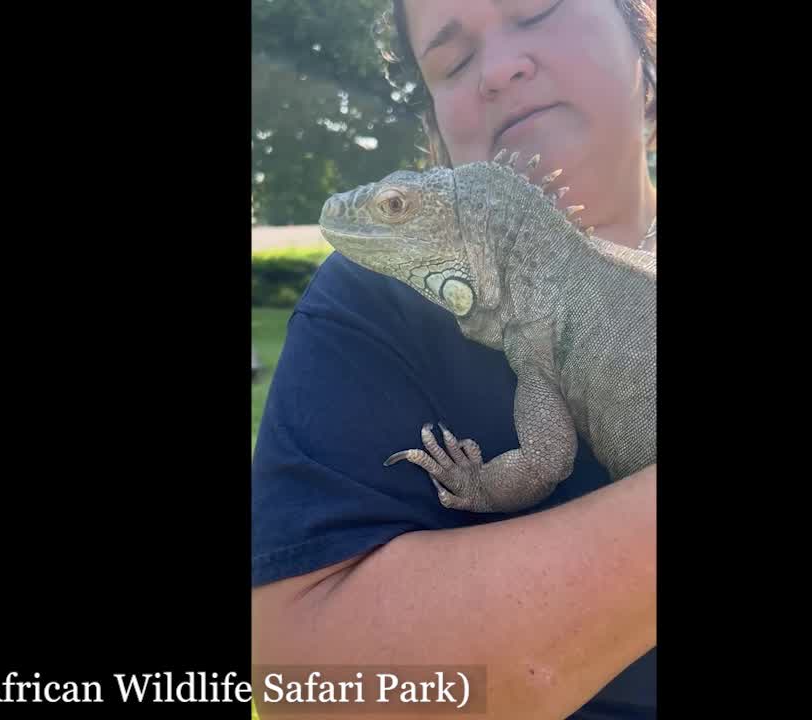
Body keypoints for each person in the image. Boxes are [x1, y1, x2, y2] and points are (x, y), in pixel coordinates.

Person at [252, 1, 657, 717]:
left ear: (643, 41)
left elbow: (542, 460)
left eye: (539, 10)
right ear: (438, 130)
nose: (499, 70)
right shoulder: (366, 308)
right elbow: (303, 685)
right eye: (453, 61)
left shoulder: (553, 330)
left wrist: (474, 484)